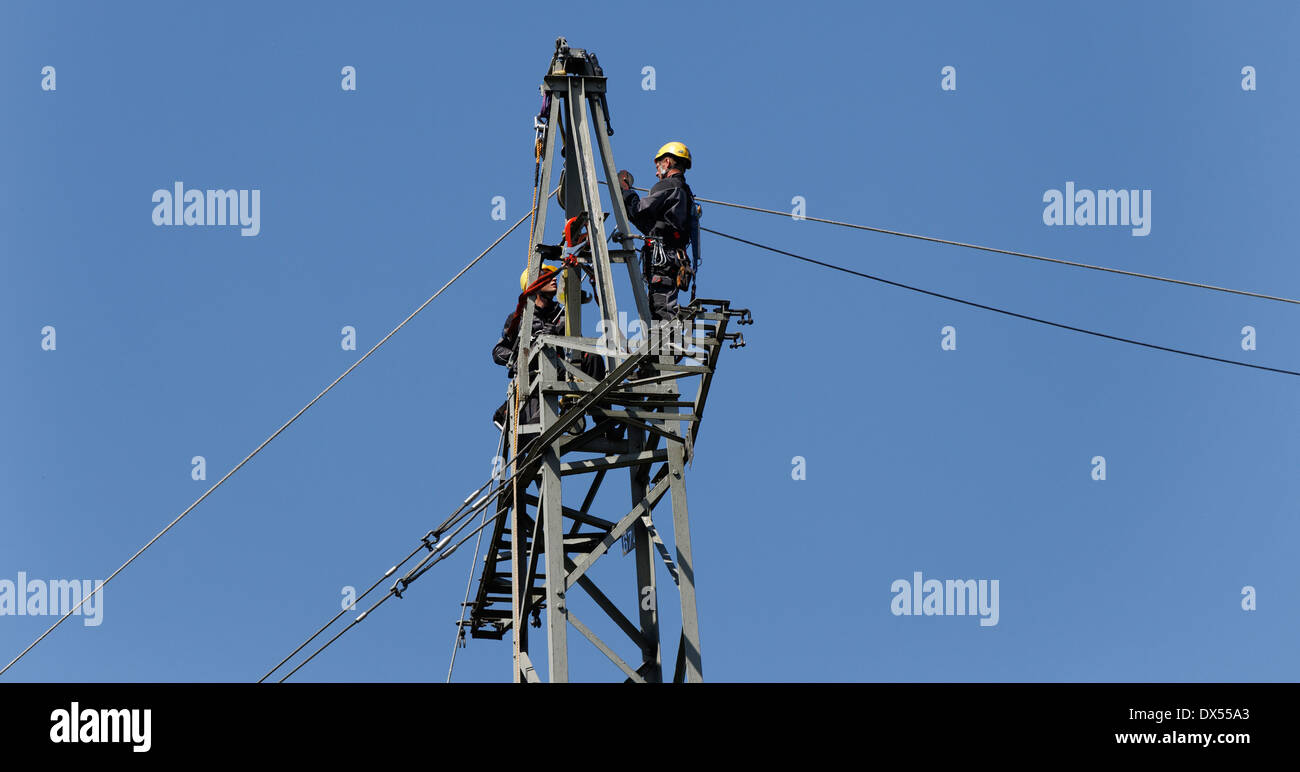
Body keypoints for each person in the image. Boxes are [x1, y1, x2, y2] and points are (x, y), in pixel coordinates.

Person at [491, 264, 605, 437]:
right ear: (534, 284)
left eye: (553, 276)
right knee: (534, 429)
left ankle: (602, 420)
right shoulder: (521, 319)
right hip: (535, 377)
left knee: (593, 357)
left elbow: (578, 349)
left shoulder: (561, 315)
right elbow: (498, 351)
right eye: (546, 276)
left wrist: (557, 338)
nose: (554, 279)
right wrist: (518, 359)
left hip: (562, 370)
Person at [619, 141, 698, 322]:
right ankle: (665, 342)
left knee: (661, 311)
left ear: (667, 162)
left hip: (665, 258)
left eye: (658, 166)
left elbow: (639, 211)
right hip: (672, 258)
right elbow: (650, 225)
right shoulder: (684, 192)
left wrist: (626, 192)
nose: (657, 172)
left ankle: (668, 342)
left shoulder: (667, 186)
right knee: (657, 308)